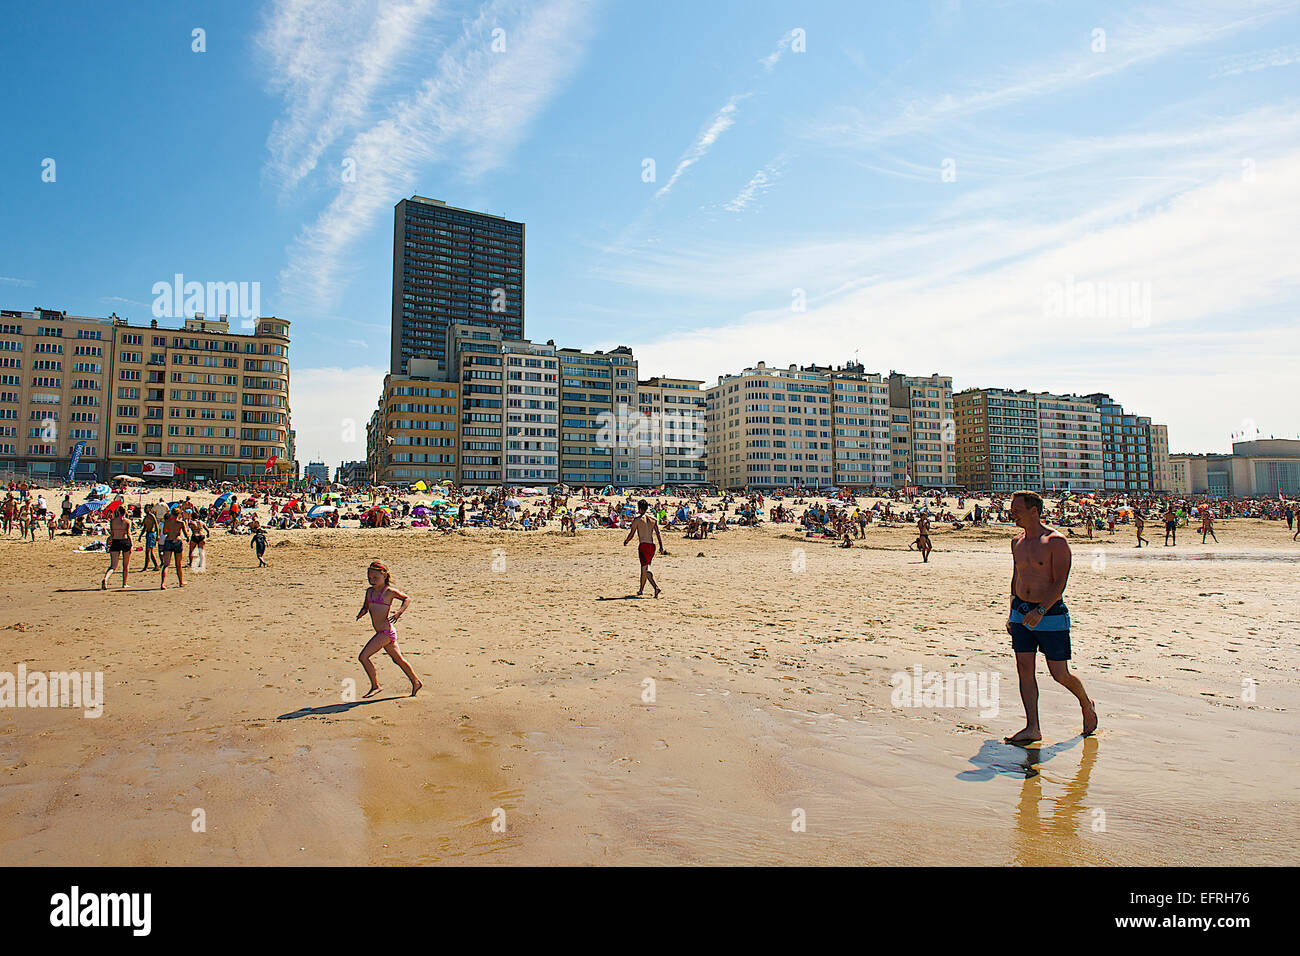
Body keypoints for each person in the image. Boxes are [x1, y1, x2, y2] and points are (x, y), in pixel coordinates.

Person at [1004, 490, 1097, 744]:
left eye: (1017, 509)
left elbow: (1060, 583)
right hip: (1022, 613)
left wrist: (1041, 610)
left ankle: (1086, 704)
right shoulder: (1017, 542)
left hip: (1050, 614)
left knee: (1059, 673)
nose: (1012, 513)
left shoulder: (1056, 542)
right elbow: (1016, 578)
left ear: (1034, 511)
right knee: (1024, 669)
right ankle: (1032, 727)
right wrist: (1013, 610)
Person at [355, 561, 421, 698]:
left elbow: (406, 599)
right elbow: (366, 606)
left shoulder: (389, 592)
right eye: (369, 578)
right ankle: (416, 682)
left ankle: (375, 686)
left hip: (385, 633)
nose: (372, 581)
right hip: (381, 632)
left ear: (384, 576)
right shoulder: (369, 592)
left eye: (375, 578)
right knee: (398, 660)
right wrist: (362, 612)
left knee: (363, 657)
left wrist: (399, 612)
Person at [623, 499, 666, 598]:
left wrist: (626, 541)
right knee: (644, 568)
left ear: (639, 508)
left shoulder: (637, 520)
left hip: (643, 546)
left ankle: (656, 587)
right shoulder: (653, 519)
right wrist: (661, 546)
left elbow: (632, 533)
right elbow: (658, 534)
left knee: (646, 569)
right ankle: (641, 590)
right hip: (652, 546)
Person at [101, 508, 134, 590]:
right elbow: (128, 534)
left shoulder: (113, 521)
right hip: (125, 541)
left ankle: (106, 578)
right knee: (125, 565)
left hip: (115, 541)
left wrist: (109, 542)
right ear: (125, 512)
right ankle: (124, 583)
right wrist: (132, 545)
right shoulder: (127, 521)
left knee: (113, 566)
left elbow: (112, 534)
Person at [159, 507, 187, 589]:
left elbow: (164, 532)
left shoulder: (167, 522)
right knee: (178, 564)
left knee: (166, 564)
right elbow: (185, 534)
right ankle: (181, 582)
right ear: (179, 514)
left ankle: (162, 583)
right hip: (177, 541)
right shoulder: (181, 523)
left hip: (168, 541)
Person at [139, 504, 160, 571]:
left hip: (152, 534)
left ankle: (154, 565)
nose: (145, 510)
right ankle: (149, 566)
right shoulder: (146, 517)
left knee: (149, 551)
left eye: (146, 508)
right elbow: (144, 527)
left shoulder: (152, 516)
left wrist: (158, 535)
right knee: (148, 552)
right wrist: (140, 536)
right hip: (148, 534)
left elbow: (156, 525)